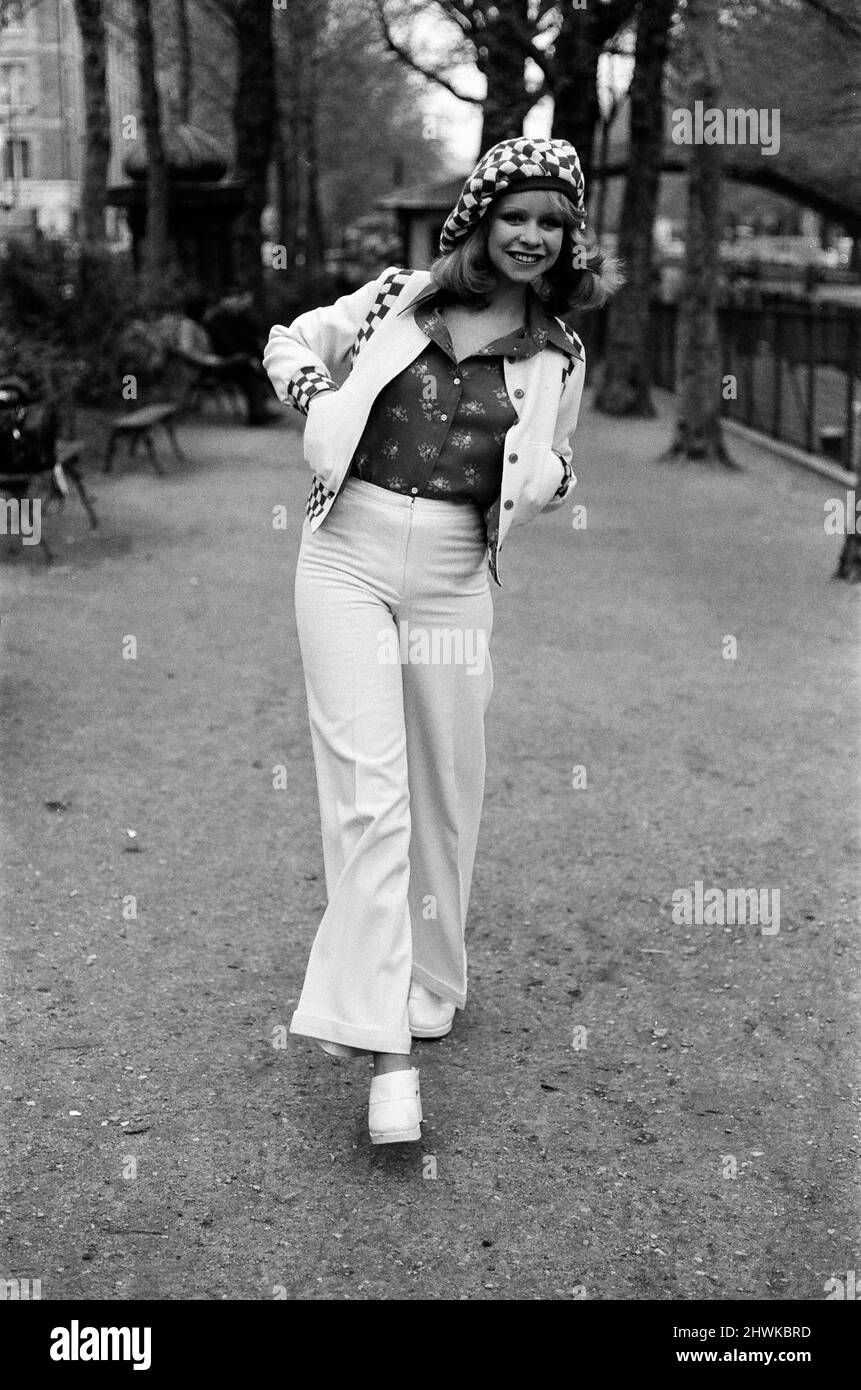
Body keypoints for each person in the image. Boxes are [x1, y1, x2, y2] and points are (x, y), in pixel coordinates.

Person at [263, 137, 621, 1145]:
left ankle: (431, 977)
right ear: (482, 214)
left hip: (458, 577)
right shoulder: (396, 297)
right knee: (368, 798)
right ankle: (386, 1055)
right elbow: (289, 340)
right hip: (347, 557)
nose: (533, 236)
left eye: (553, 222)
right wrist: (320, 401)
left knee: (446, 793)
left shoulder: (560, 352)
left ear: (567, 237)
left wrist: (550, 482)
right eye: (518, 214)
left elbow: (556, 465)